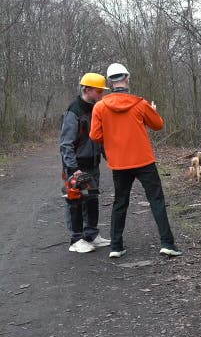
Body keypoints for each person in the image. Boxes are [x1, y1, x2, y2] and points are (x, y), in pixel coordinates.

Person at [89, 63, 182, 258]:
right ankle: (167, 244)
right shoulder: (140, 104)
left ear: (109, 83)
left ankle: (116, 246)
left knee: (120, 202)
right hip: (143, 161)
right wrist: (153, 111)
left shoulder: (100, 107)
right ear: (127, 79)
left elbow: (95, 136)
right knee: (156, 200)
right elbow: (158, 125)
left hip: (119, 163)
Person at [59, 73, 112, 253]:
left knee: (92, 199)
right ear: (87, 89)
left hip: (93, 163)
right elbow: (66, 144)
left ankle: (91, 235)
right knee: (75, 200)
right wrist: (72, 169)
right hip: (77, 166)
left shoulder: (96, 109)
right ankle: (76, 239)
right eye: (99, 91)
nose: (101, 95)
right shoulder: (73, 111)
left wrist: (108, 156)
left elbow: (100, 137)